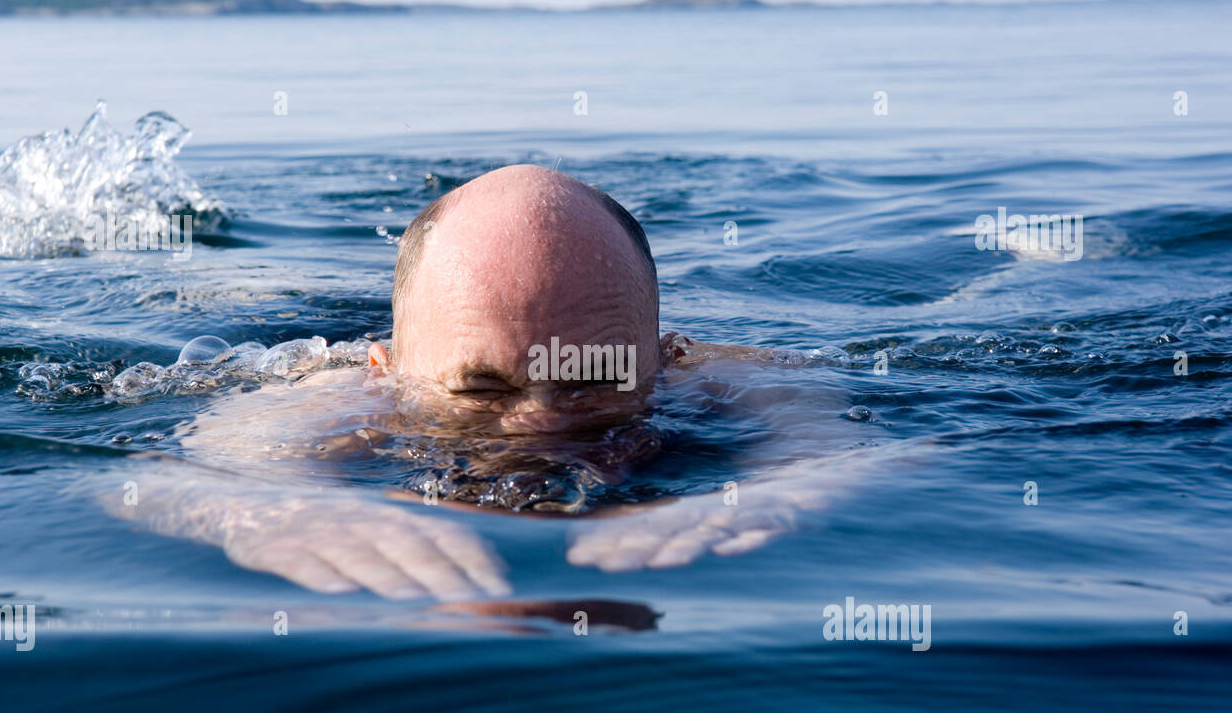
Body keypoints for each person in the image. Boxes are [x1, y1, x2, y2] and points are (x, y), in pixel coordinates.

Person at [111, 165, 917, 599]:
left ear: (667, 360)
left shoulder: (713, 375)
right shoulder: (340, 391)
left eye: (592, 379)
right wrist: (264, 511)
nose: (537, 425)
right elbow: (176, 473)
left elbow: (838, 444)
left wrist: (788, 493)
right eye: (482, 392)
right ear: (384, 376)